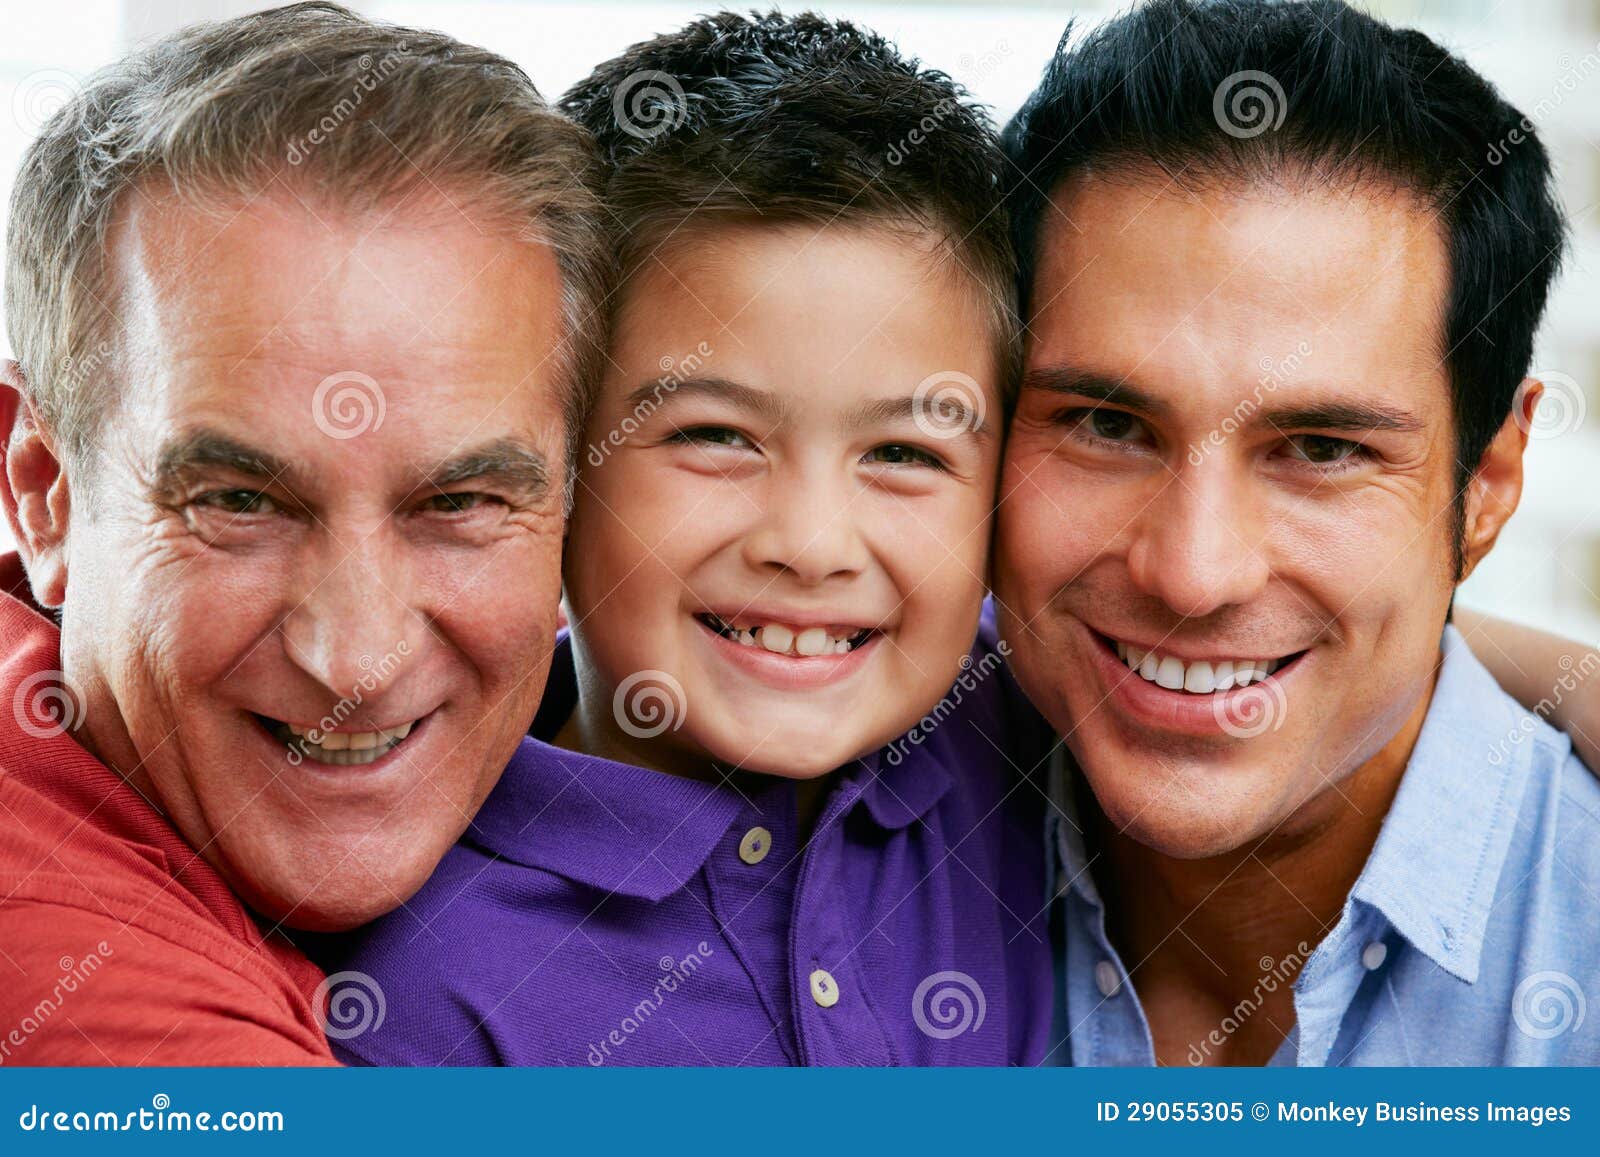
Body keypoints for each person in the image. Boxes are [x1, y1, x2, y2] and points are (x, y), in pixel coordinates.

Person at [321, 10, 1052, 1067]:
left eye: (903, 452)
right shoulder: (420, 985)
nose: (811, 543)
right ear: (555, 460)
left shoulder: (1026, 740)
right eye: (714, 435)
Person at [0, 1, 608, 1064]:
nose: (358, 662)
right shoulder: (84, 998)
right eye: (239, 502)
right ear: (44, 490)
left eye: (459, 504)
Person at [995, 0, 1598, 1064]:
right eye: (1105, 424)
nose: (1190, 571)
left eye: (1320, 448)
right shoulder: (835, 818)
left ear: (1488, 484)